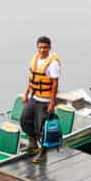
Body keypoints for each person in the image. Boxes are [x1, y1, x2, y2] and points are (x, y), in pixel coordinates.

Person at [21, 36, 61, 164]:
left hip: (45, 101)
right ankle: (33, 144)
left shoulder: (53, 63)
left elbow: (55, 83)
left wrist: (52, 102)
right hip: (34, 97)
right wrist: (26, 93)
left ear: (49, 47)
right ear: (37, 47)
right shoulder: (35, 59)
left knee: (42, 128)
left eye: (45, 47)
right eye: (40, 47)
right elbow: (32, 79)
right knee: (24, 120)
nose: (42, 50)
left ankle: (43, 153)